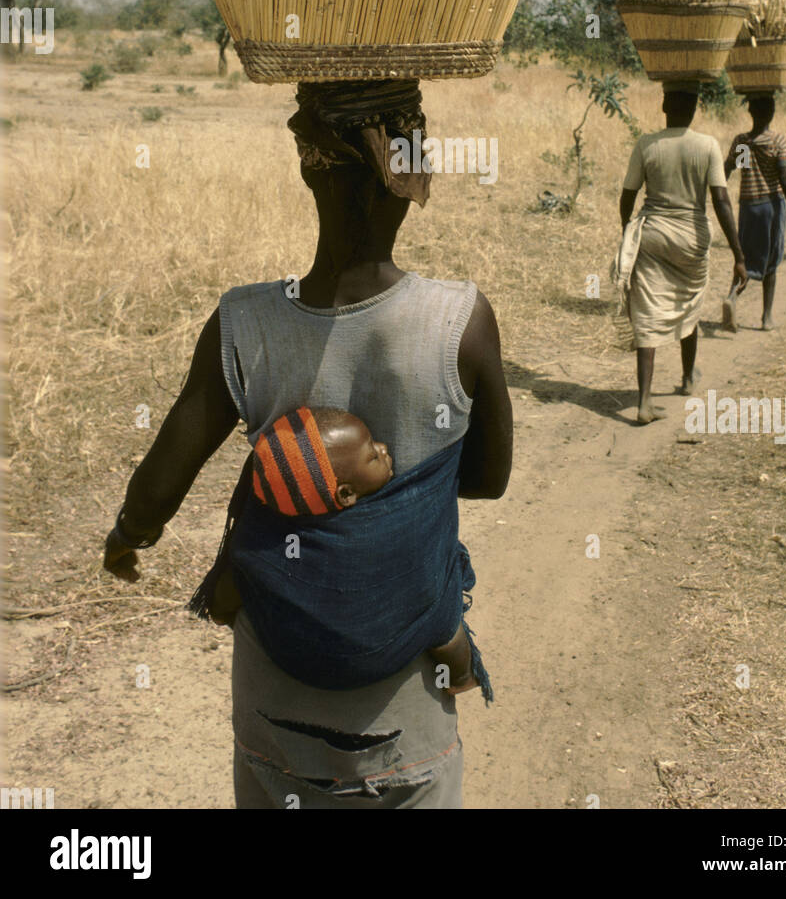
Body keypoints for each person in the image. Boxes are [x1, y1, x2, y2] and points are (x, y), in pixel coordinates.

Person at [103, 79, 513, 810]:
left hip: (275, 695)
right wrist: (389, 514)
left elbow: (164, 475)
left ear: (305, 169)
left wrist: (130, 534)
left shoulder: (245, 320)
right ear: (409, 178)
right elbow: (486, 480)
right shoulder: (459, 319)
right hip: (403, 700)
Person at [245, 403, 479, 696]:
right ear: (346, 494)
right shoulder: (388, 526)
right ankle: (461, 677)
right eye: (372, 454)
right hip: (377, 663)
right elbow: (420, 579)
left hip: (297, 664)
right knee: (446, 622)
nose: (383, 447)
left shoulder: (273, 539)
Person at [614, 86, 748, 424]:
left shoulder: (647, 144)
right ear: (694, 111)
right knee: (689, 305)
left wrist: (626, 229)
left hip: (653, 234)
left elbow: (627, 195)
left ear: (663, 105)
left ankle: (644, 402)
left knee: (646, 315)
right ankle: (688, 378)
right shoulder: (706, 146)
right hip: (692, 238)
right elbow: (720, 200)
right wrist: (738, 254)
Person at [722, 93, 786, 331]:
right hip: (771, 206)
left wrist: (719, 194)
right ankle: (766, 317)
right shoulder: (778, 141)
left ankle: (732, 298)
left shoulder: (742, 141)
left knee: (743, 256)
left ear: (751, 113)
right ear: (772, 113)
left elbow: (727, 168)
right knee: (771, 262)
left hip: (748, 206)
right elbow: (784, 179)